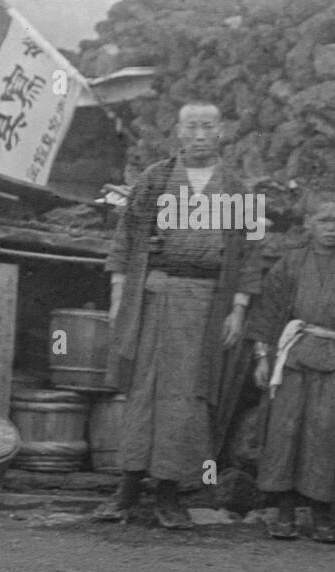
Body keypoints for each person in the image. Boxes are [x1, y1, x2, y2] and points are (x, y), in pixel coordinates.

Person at [95, 102, 264, 528]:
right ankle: (127, 491)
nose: (200, 134)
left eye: (208, 126)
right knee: (144, 387)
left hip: (206, 303)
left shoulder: (238, 190)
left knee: (186, 396)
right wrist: (119, 295)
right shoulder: (155, 180)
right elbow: (125, 238)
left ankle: (170, 495)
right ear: (179, 131)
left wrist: (238, 308)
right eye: (192, 127)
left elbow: (249, 255)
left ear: (221, 131)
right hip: (156, 293)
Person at [248, 190, 335, 543]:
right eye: (322, 220)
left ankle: (322, 513)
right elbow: (269, 311)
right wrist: (263, 357)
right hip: (294, 356)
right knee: (286, 430)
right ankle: (284, 511)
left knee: (325, 435)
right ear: (308, 223)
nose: (330, 228)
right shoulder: (291, 263)